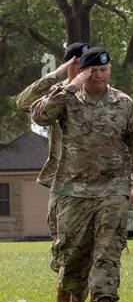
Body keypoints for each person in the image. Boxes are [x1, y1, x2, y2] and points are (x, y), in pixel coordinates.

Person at [31, 47, 133, 302]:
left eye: (103, 70)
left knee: (109, 248)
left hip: (113, 189)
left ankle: (102, 299)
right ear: (83, 72)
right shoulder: (67, 99)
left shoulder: (124, 103)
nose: (99, 76)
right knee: (73, 250)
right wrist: (68, 88)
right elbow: (39, 115)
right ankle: (73, 294)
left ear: (110, 70)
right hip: (73, 190)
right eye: (93, 70)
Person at [15, 41, 89, 276]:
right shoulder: (55, 94)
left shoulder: (106, 96)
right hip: (63, 178)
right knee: (63, 237)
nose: (83, 69)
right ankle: (66, 285)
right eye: (77, 63)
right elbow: (24, 102)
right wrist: (56, 75)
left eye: (87, 63)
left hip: (99, 176)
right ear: (68, 64)